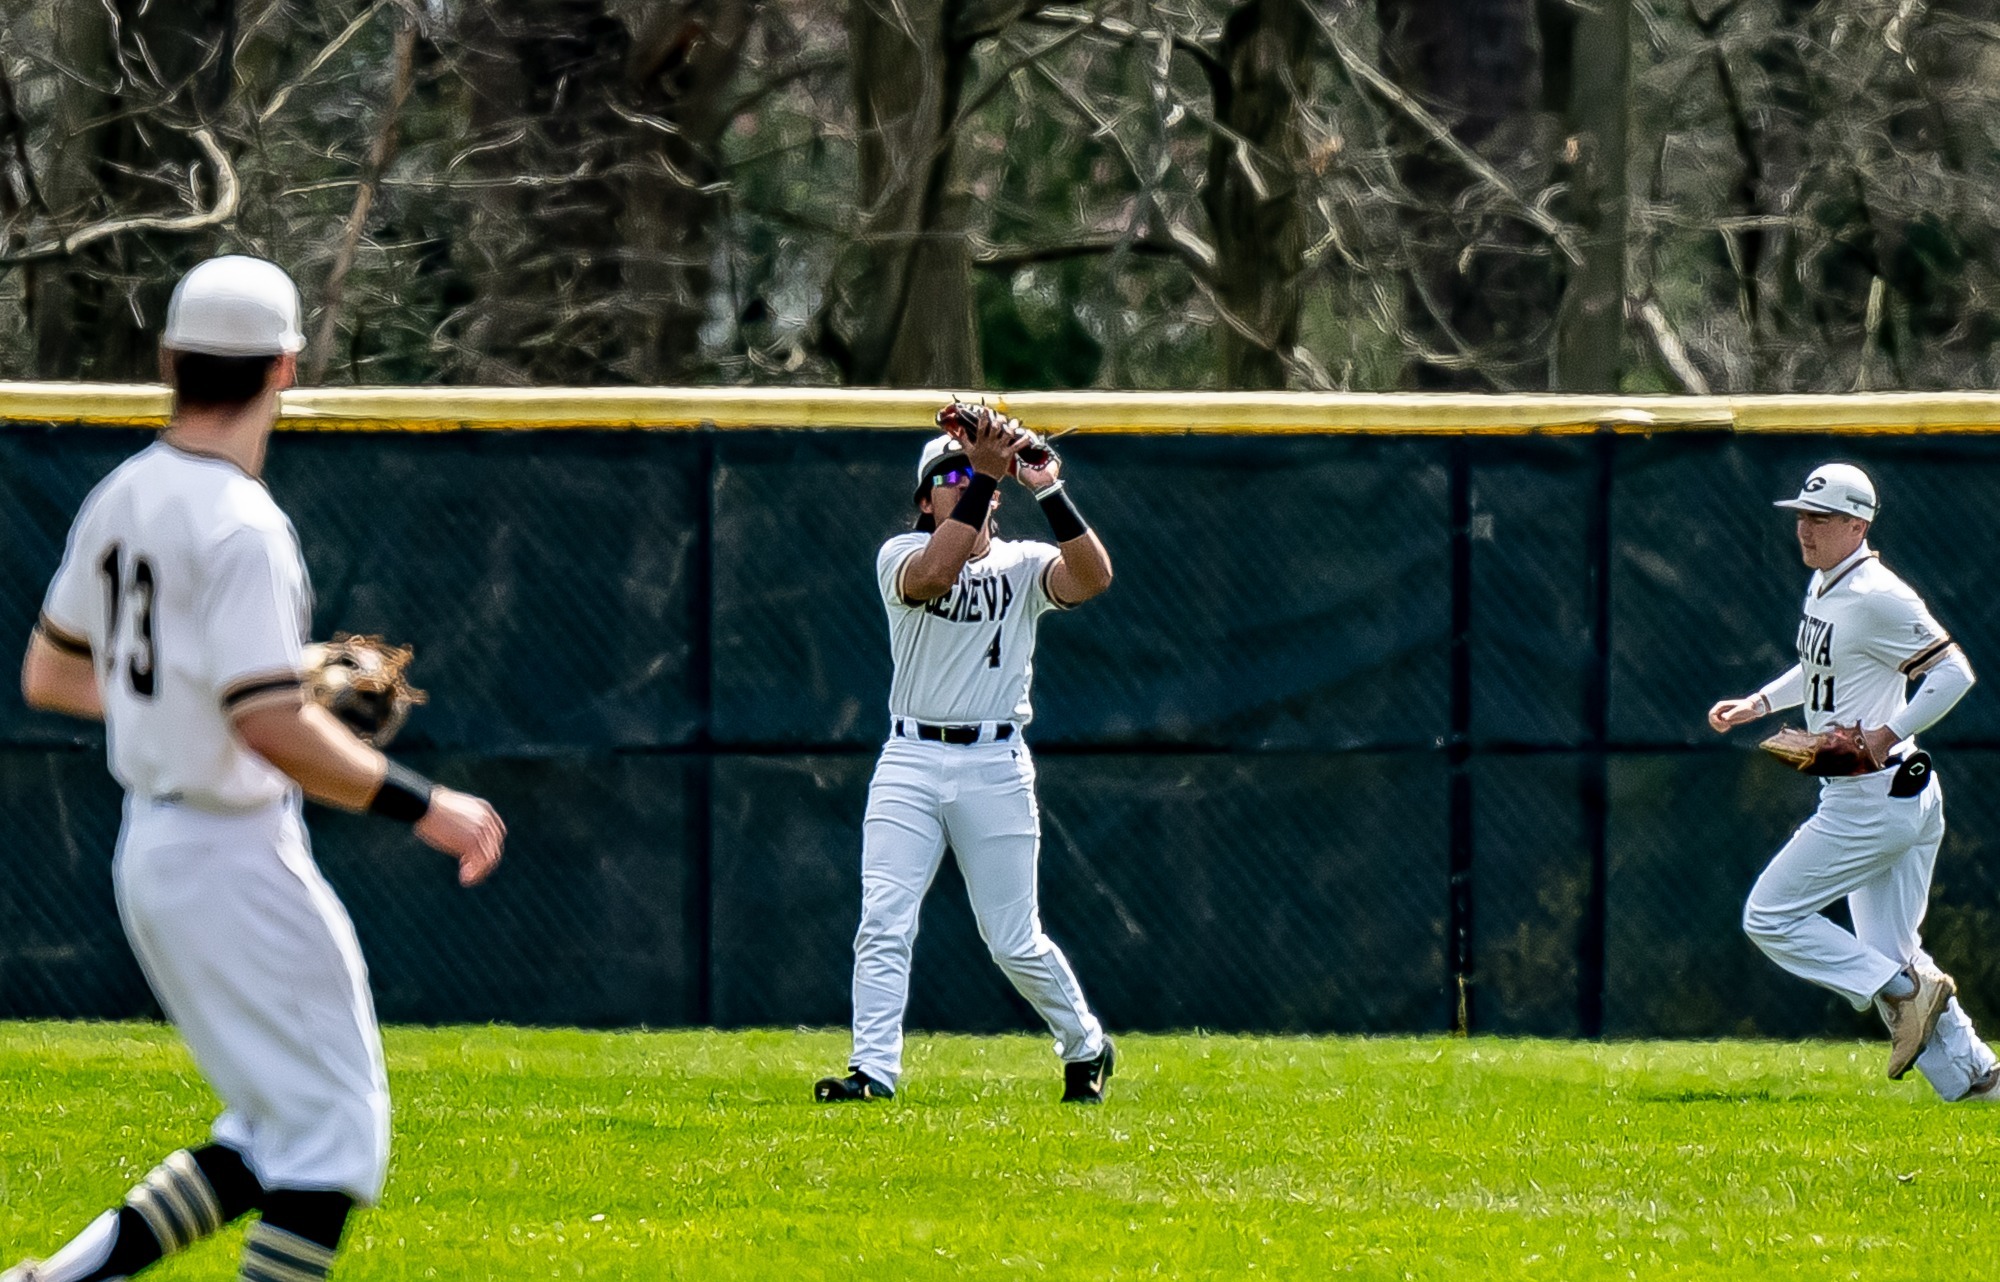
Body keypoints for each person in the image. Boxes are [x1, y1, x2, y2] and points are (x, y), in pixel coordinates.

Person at [8, 255, 506, 1282]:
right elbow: (273, 729)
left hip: (152, 847)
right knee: (336, 1134)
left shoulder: (124, 492)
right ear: (287, 367)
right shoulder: (243, 525)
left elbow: (52, 673)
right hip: (232, 853)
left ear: (167, 362)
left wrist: (221, 688)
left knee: (279, 1119)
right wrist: (427, 802)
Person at [814, 408, 1116, 1104]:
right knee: (884, 919)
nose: (959, 482)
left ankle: (1087, 1045)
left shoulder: (1024, 564)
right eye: (943, 477)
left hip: (995, 762)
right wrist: (983, 473)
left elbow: (1093, 578)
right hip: (910, 759)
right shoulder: (900, 553)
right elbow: (933, 576)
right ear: (926, 499)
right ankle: (874, 1073)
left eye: (969, 473)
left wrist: (1046, 488)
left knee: (1013, 940)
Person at [1708, 462, 1997, 1100]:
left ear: (1858, 524)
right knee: (1891, 945)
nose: (1805, 530)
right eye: (1802, 517)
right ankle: (1978, 1081)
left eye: (1822, 518)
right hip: (1898, 794)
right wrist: (1759, 702)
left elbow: (1954, 674)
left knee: (1770, 915)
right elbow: (1819, 666)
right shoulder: (1827, 587)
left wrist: (1886, 733)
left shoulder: (1877, 594)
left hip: (1871, 798)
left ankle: (1902, 993)